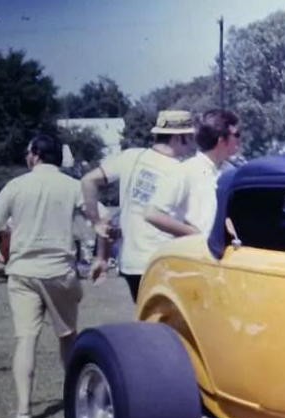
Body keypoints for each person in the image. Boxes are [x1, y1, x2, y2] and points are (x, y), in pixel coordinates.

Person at [0, 134, 84, 418]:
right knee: (68, 336)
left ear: (35, 154)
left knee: (25, 339)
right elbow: (101, 217)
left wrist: (0, 254)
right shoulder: (73, 186)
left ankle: (23, 411)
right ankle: (74, 399)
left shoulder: (16, 186)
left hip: (22, 270)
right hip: (59, 269)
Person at [81, 110, 194, 301]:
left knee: (148, 321)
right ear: (178, 137)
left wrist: (96, 222)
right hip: (162, 261)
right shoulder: (180, 170)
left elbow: (88, 181)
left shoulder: (131, 156)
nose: (193, 141)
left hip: (131, 262)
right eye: (190, 136)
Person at [145, 109, 240, 240]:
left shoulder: (231, 172)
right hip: (193, 254)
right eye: (236, 134)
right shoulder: (185, 171)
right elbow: (152, 214)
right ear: (221, 140)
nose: (239, 139)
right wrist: (196, 235)